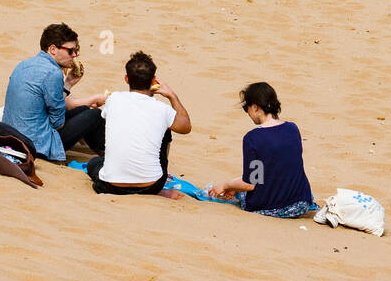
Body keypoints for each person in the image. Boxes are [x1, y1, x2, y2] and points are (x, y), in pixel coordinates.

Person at [87, 50, 190, 196]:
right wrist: (172, 96)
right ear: (154, 81)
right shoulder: (162, 109)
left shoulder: (113, 99)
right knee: (166, 127)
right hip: (152, 185)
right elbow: (185, 127)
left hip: (110, 186)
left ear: (126, 79)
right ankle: (157, 187)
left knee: (93, 163)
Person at [208, 82, 316, 217]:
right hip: (301, 202)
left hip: (272, 207)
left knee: (242, 194)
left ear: (255, 107)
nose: (247, 112)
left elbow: (251, 183)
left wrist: (225, 185)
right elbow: (277, 167)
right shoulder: (292, 129)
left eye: (246, 108)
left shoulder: (253, 138)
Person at [2, 23, 106, 163]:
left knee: (83, 110)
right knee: (94, 115)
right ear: (52, 49)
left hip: (12, 135)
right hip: (36, 145)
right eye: (71, 51)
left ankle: (103, 150)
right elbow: (58, 123)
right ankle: (110, 152)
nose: (75, 55)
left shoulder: (23, 64)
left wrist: (68, 84)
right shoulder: (53, 73)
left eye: (77, 50)